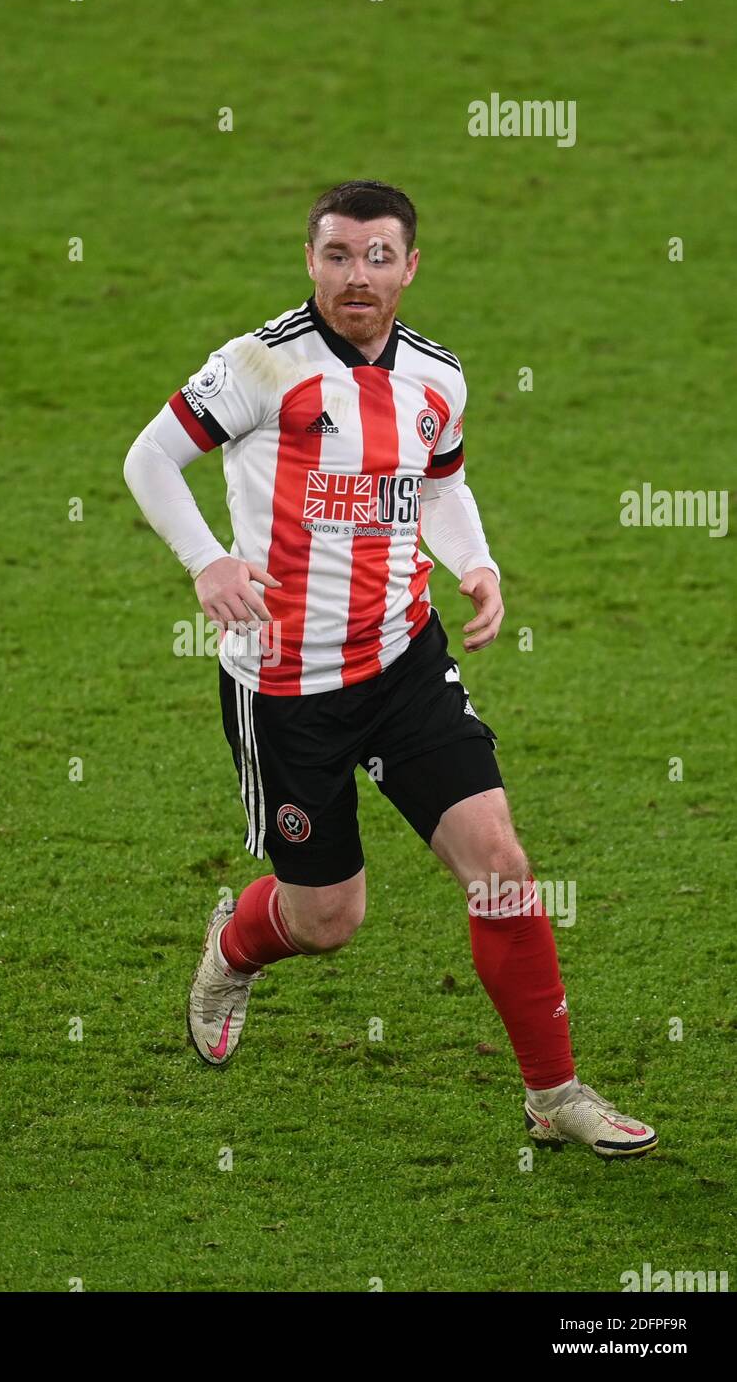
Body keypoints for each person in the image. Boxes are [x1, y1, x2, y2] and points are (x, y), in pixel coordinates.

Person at [124, 179, 656, 1159]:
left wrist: (478, 564)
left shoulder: (436, 377)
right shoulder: (257, 364)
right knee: (328, 920)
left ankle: (553, 1092)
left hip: (404, 661)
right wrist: (209, 561)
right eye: (336, 255)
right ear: (311, 261)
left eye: (377, 257)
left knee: (501, 867)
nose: (355, 276)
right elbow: (149, 459)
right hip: (285, 688)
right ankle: (234, 946)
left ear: (410, 267)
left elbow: (441, 486)